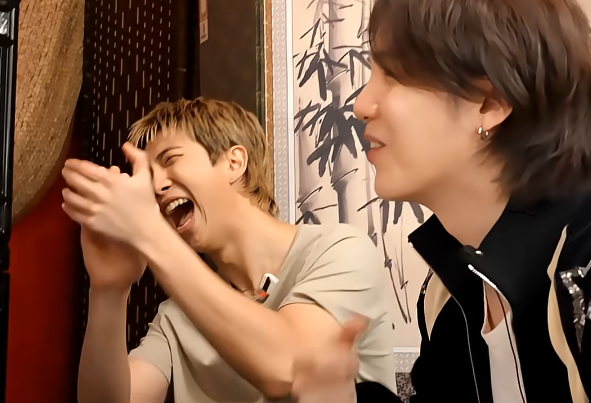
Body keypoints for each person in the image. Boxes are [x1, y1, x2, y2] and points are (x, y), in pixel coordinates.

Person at [290, 0, 591, 402]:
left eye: (393, 74)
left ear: (490, 102)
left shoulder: (581, 267)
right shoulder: (449, 292)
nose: (361, 106)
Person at [62, 98, 396, 403]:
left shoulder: (340, 251)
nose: (156, 186)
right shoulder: (179, 316)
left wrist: (148, 232)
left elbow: (288, 366)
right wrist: (108, 288)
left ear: (234, 162)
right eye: (148, 176)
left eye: (170, 160)